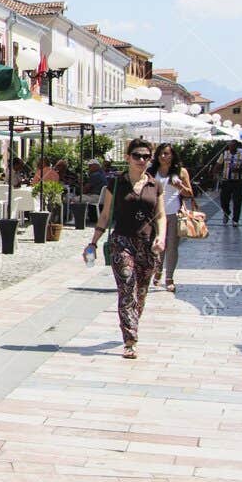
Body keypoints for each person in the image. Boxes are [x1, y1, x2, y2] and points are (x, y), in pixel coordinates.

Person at [87, 138, 165, 360]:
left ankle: (133, 321)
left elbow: (160, 216)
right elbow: (105, 214)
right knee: (126, 286)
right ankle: (130, 340)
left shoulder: (155, 185)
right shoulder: (115, 184)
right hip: (122, 241)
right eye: (137, 155)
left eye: (146, 157)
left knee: (140, 292)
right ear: (128, 158)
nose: (142, 160)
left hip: (148, 244)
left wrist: (161, 237)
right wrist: (93, 241)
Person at [149, 142, 192, 293]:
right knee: (157, 245)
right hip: (155, 214)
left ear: (173, 155)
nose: (163, 156)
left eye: (166, 153)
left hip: (174, 213)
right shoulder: (151, 171)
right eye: (160, 153)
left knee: (172, 246)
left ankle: (169, 278)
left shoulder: (181, 171)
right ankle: (158, 269)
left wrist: (180, 186)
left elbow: (190, 194)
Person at [217, 141, 242, 225]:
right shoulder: (224, 154)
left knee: (237, 201)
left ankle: (235, 219)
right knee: (224, 200)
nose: (231, 147)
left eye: (233, 146)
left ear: (236, 146)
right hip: (226, 180)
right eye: (230, 145)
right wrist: (215, 172)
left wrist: (238, 170)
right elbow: (218, 164)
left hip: (237, 181)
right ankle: (226, 213)